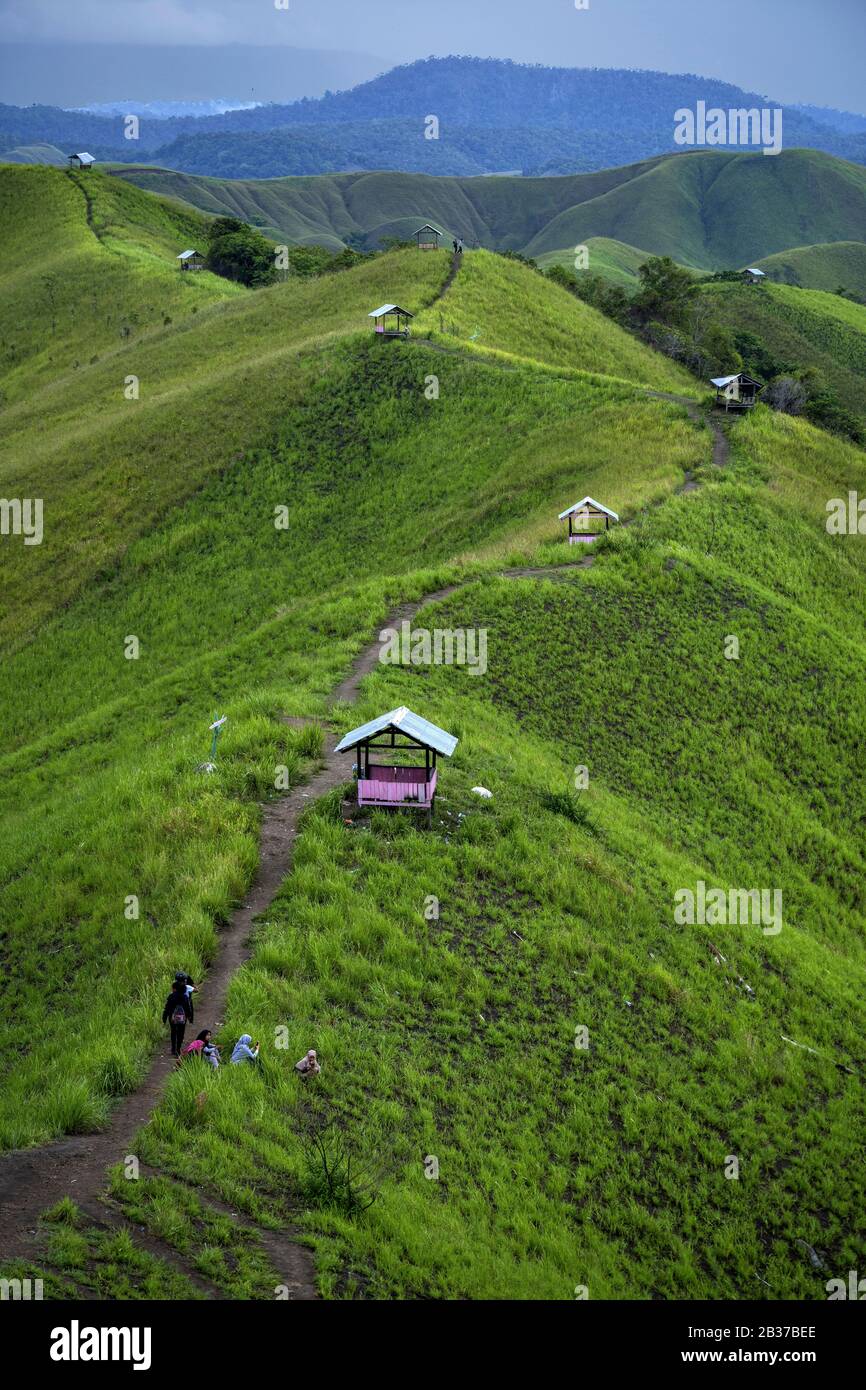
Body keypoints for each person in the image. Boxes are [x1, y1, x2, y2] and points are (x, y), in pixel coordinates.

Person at [162, 981, 194, 1057]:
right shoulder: (185, 997)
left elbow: (167, 1008)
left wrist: (164, 1017)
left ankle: (173, 1049)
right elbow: (188, 1008)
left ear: (175, 989)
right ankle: (178, 1049)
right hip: (183, 1018)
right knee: (180, 1033)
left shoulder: (171, 996)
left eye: (172, 988)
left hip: (172, 1018)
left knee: (173, 1032)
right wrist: (189, 1017)